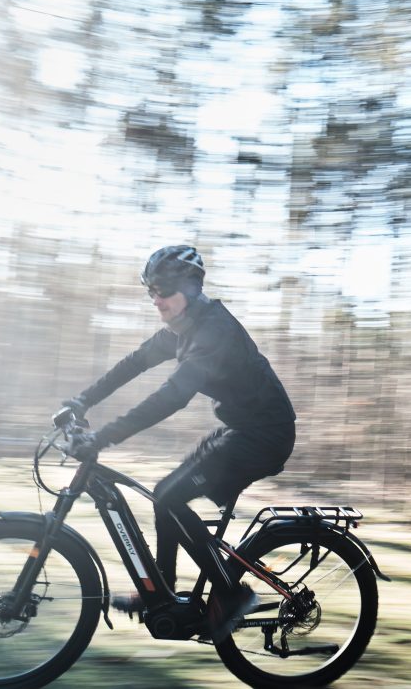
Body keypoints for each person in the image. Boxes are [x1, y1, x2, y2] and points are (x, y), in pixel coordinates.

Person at [62, 245, 296, 640]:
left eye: (163, 290)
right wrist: (82, 400)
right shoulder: (183, 328)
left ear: (189, 287)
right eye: (150, 291)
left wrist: (105, 436)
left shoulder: (213, 332)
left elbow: (173, 395)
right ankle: (158, 592)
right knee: (164, 494)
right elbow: (134, 363)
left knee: (169, 496)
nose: (156, 299)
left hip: (265, 436)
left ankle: (232, 595)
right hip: (242, 428)